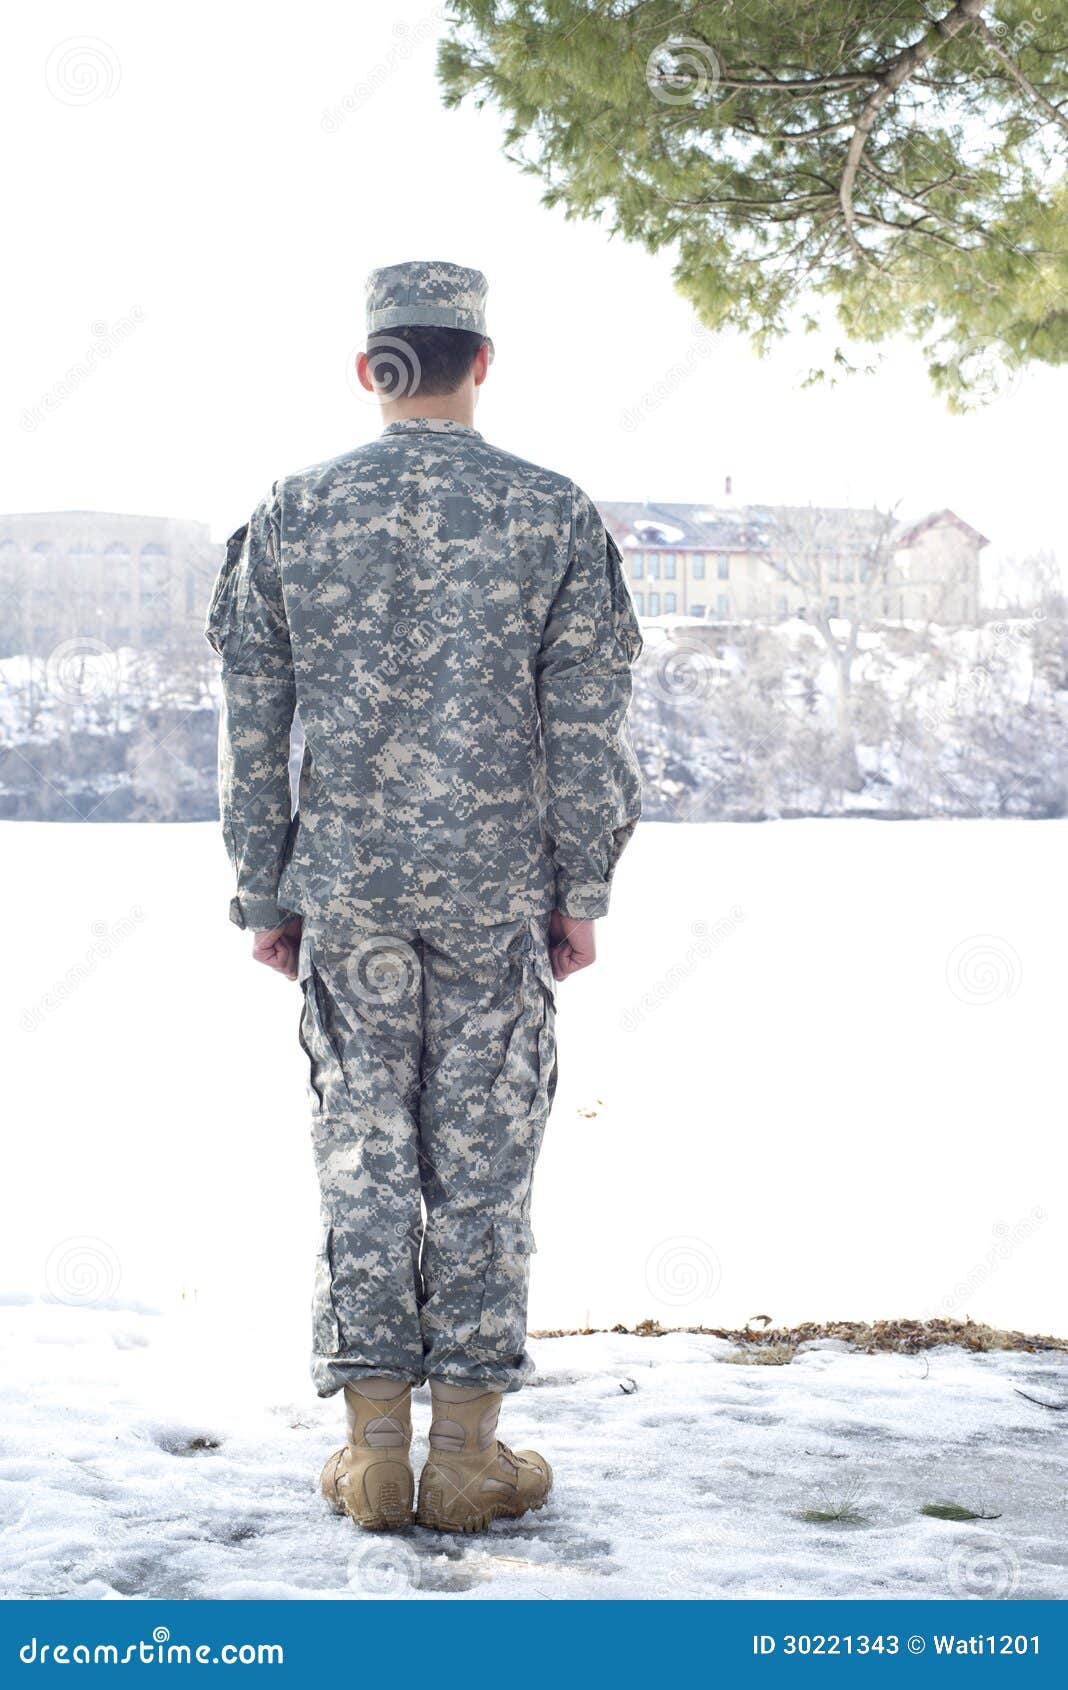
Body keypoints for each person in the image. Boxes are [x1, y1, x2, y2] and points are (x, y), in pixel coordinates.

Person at [206, 260, 642, 1534]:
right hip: (499, 891)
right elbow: (590, 722)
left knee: (363, 1149)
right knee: (487, 1156)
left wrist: (261, 888)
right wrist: (583, 883)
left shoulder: (295, 510)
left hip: (345, 889)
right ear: (484, 364)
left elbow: (252, 721)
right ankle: (466, 1455)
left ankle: (374, 1455)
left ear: (370, 369)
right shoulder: (551, 511)